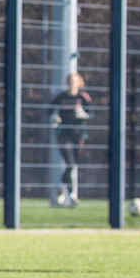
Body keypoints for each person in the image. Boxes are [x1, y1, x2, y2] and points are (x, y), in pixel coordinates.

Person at [50, 72, 91, 208]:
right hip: (64, 135)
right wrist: (55, 118)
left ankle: (62, 189)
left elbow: (92, 113)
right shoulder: (61, 97)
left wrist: (84, 114)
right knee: (70, 162)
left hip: (78, 136)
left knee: (72, 165)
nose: (72, 83)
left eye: (74, 81)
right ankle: (71, 193)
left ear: (79, 82)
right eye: (70, 81)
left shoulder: (83, 97)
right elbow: (49, 111)